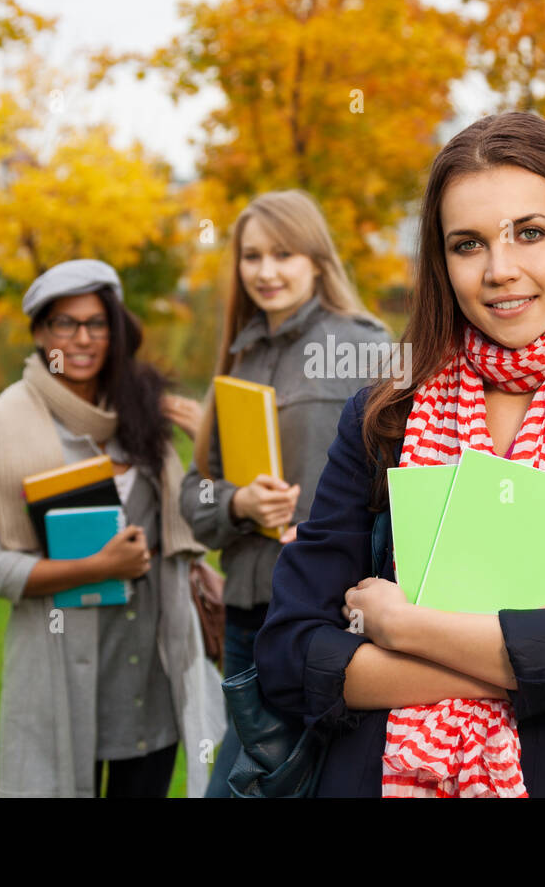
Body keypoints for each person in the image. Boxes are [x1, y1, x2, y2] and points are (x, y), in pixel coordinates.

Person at [254, 112, 545, 797]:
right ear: (442, 262)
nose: (501, 270)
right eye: (467, 244)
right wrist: (529, 654)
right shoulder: (385, 416)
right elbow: (288, 655)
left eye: (530, 233)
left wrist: (401, 626)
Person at [0, 259, 224, 798]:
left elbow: (193, 515)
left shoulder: (142, 413)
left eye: (97, 323)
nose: (82, 339)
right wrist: (97, 569)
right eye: (65, 323)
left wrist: (206, 443)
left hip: (152, 677)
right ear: (38, 331)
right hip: (64, 677)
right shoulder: (8, 421)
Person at [179, 190, 394, 797]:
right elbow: (191, 495)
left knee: (269, 782)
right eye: (252, 257)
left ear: (317, 261)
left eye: (284, 254)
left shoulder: (365, 346)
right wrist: (237, 504)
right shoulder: (239, 355)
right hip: (247, 615)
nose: (266, 271)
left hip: (323, 614)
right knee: (265, 779)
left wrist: (349, 541)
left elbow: (411, 476)